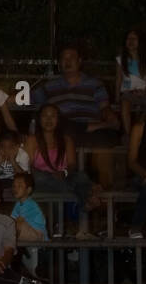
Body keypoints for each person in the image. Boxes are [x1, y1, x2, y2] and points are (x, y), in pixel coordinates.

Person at [31, 45, 121, 188]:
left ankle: (102, 189)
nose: (67, 61)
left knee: (107, 139)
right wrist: (0, 97)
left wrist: (111, 118)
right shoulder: (49, 86)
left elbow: (105, 107)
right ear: (59, 63)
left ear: (79, 61)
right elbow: (26, 98)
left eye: (71, 57)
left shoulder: (95, 84)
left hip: (89, 131)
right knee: (62, 123)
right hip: (63, 131)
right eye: (63, 58)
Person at [23, 103, 97, 238]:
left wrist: (64, 173)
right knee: (40, 177)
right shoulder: (32, 140)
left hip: (63, 178)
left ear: (58, 120)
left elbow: (72, 164)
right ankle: (85, 198)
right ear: (39, 119)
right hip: (42, 182)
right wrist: (51, 176)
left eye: (53, 116)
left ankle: (80, 202)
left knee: (81, 176)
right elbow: (27, 166)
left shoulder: (66, 140)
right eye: (45, 116)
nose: (49, 120)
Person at [126, 97, 146, 239]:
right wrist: (145, 174)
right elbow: (131, 161)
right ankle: (136, 227)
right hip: (139, 174)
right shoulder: (139, 129)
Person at [116, 27, 146, 137]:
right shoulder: (121, 59)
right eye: (128, 38)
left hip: (145, 92)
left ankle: (142, 136)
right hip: (128, 93)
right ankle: (129, 136)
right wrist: (117, 97)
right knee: (124, 103)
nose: (131, 41)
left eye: (134, 38)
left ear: (140, 42)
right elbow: (118, 79)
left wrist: (145, 92)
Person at [9, 171, 48, 275]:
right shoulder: (18, 203)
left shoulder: (30, 204)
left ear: (28, 190)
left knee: (16, 225)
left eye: (20, 186)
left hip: (37, 234)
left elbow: (18, 221)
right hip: (26, 232)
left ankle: (12, 251)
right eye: (14, 186)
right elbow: (11, 219)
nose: (15, 188)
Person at [0, 128, 30, 199]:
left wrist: (13, 161)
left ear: (17, 146)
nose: (6, 150)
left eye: (10, 147)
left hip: (16, 181)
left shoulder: (23, 154)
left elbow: (24, 176)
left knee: (22, 184)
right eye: (3, 147)